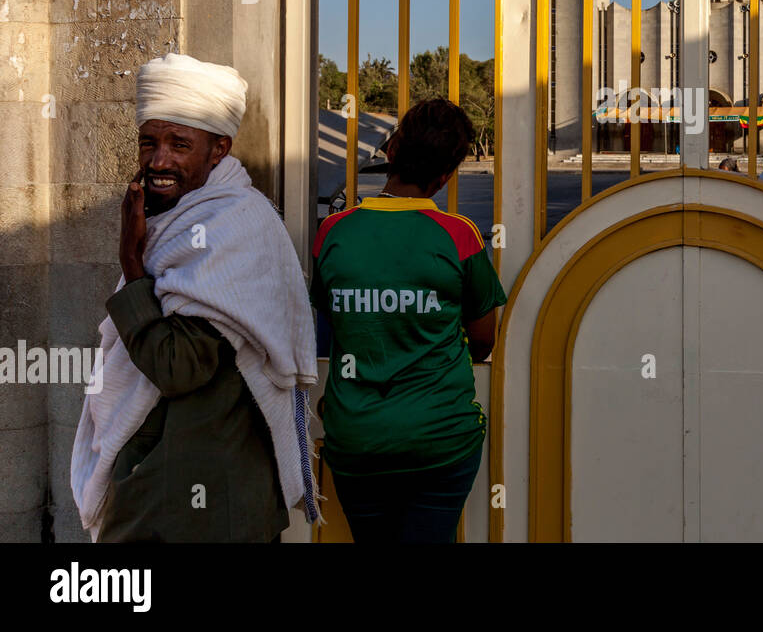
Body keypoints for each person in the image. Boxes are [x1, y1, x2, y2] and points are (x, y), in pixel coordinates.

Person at [71, 53, 320, 542]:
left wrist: (130, 263)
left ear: (218, 150)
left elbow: (178, 366)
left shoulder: (234, 226)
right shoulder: (183, 219)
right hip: (168, 493)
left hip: (200, 507)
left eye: (179, 144)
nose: (159, 161)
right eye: (150, 142)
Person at [311, 99, 506, 543]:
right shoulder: (459, 236)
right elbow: (482, 340)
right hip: (439, 440)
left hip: (356, 438)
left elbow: (333, 322)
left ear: (391, 151)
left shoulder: (334, 231)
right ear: (445, 176)